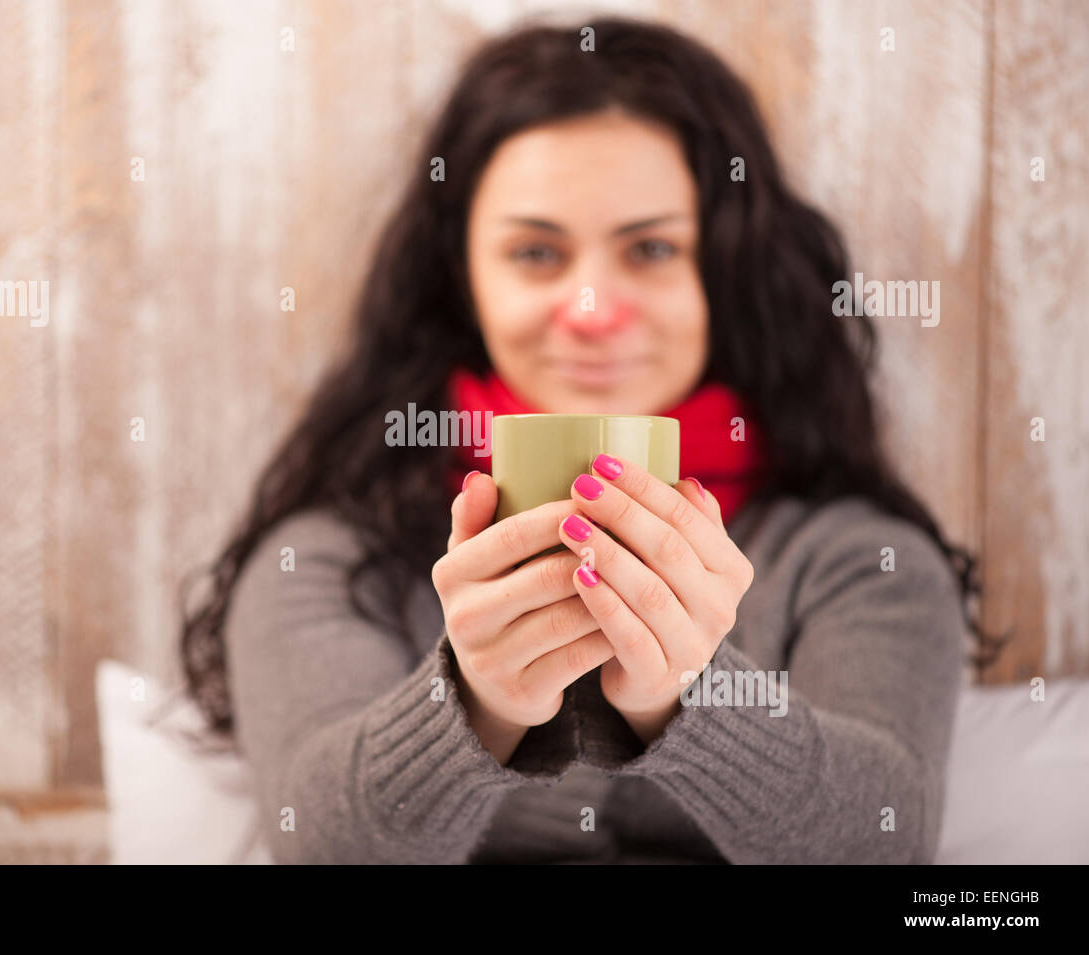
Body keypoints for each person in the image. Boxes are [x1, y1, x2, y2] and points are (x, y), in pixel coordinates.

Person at [180, 16, 1005, 864]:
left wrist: (692, 695)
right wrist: (476, 702)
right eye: (536, 252)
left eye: (650, 247)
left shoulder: (859, 557)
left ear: (724, 272)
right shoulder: (330, 557)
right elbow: (322, 843)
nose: (591, 311)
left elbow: (885, 840)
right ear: (463, 282)